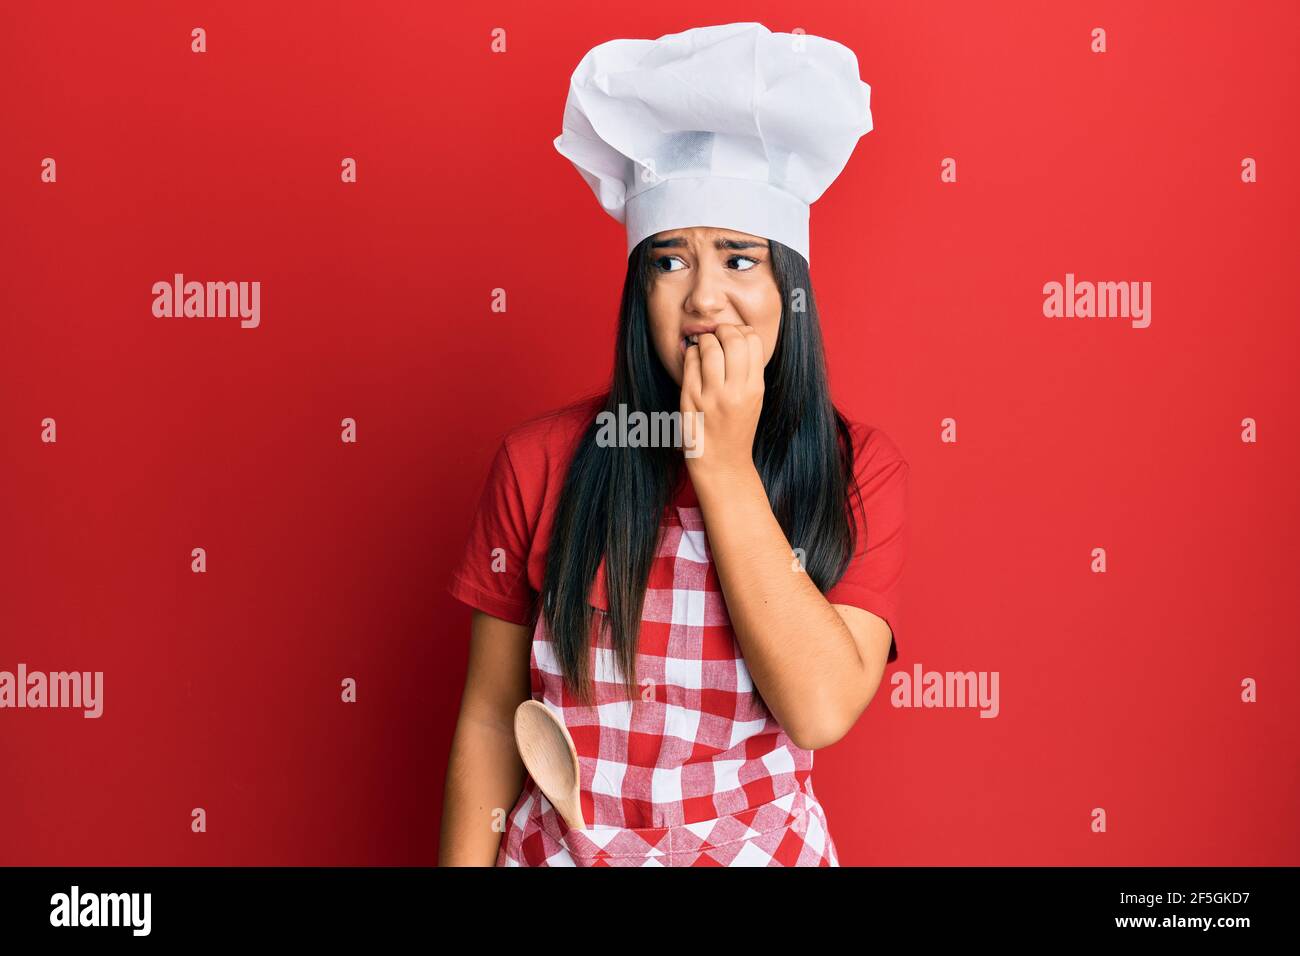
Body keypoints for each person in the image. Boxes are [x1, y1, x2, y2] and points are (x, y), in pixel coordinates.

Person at [439, 21, 909, 866]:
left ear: (788, 287)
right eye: (668, 262)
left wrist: (722, 464)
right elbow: (488, 717)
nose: (703, 299)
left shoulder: (857, 470)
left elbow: (821, 708)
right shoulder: (539, 461)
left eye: (739, 259)